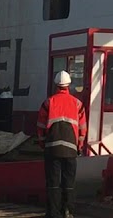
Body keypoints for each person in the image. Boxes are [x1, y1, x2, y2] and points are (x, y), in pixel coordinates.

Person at [38, 70, 87, 218]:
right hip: (71, 149)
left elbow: (40, 126)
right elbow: (82, 128)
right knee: (69, 182)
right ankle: (68, 211)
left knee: (53, 182)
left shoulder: (48, 103)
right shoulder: (77, 104)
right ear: (68, 85)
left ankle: (53, 213)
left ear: (56, 85)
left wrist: (42, 144)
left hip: (52, 149)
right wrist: (79, 146)